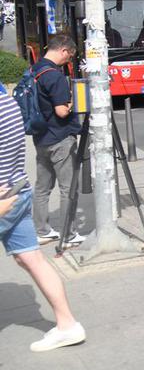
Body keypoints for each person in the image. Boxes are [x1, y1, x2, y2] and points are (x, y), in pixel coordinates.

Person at [0, 95, 86, 352]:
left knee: (31, 259)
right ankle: (67, 324)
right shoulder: (6, 100)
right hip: (17, 191)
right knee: (31, 258)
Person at [29, 35, 85, 247]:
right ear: (63, 50)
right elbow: (61, 111)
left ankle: (42, 231)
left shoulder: (34, 70)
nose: (69, 61)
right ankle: (68, 235)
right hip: (59, 139)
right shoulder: (55, 76)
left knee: (42, 188)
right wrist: (72, 101)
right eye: (69, 56)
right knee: (68, 188)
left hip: (40, 137)